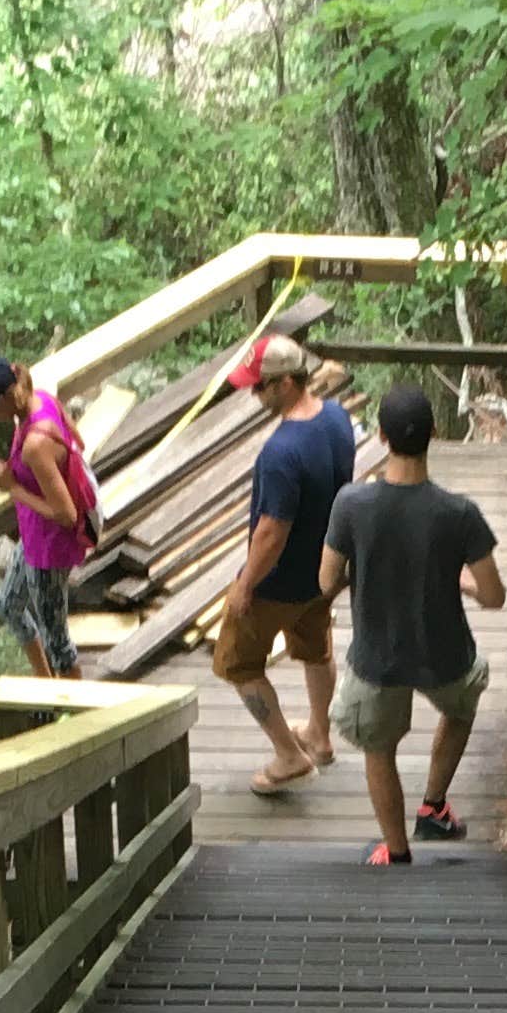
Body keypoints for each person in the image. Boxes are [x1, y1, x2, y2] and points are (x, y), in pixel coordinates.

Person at [317, 382, 505, 866]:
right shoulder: (460, 514)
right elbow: (493, 595)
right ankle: (434, 806)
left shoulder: (351, 505)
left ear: (380, 436)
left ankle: (396, 851)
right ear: (434, 434)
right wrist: (454, 580)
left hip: (378, 660)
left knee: (378, 746)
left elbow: (325, 582)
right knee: (462, 705)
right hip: (446, 655)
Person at [213, 330, 356, 793]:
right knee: (317, 648)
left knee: (238, 663)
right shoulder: (336, 418)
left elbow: (271, 532)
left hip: (277, 583)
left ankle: (288, 755)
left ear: (288, 383)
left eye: (260, 386)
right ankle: (319, 734)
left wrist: (244, 585)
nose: (254, 395)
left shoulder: (280, 451)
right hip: (324, 572)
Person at [0, 352, 97, 681]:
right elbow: (77, 441)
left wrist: (14, 488)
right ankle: (44, 686)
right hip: (34, 539)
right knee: (8, 605)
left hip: (50, 550)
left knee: (58, 644)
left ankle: (75, 717)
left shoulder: (35, 444)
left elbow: (65, 515)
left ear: (3, 401)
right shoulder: (44, 401)